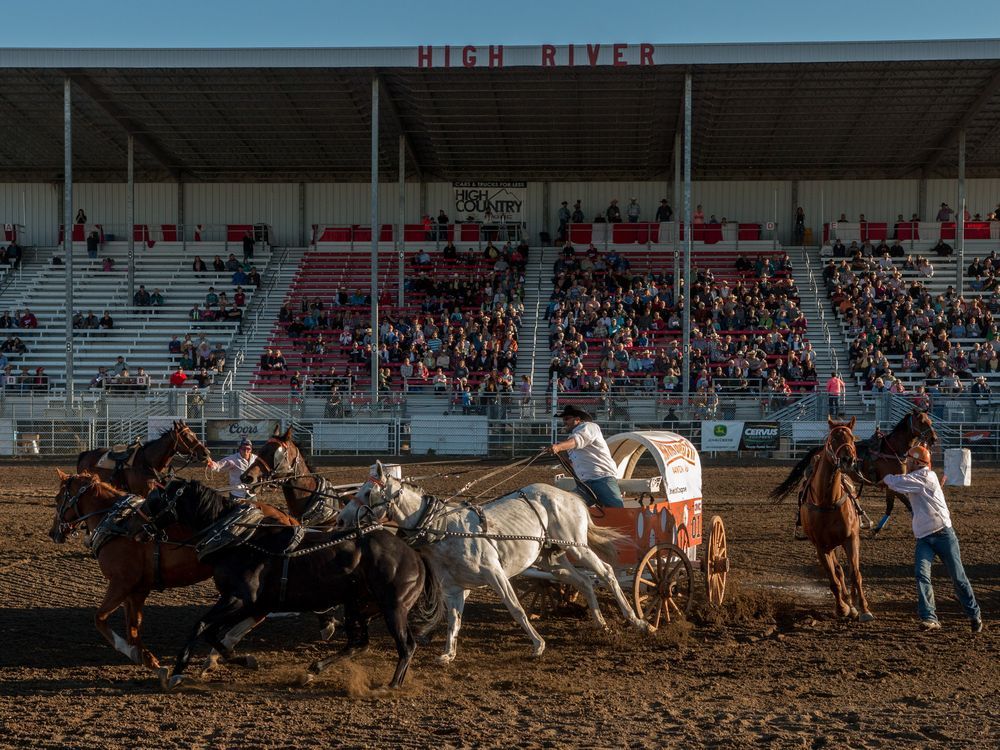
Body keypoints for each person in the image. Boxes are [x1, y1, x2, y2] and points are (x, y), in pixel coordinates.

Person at [881, 445, 982, 633]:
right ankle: (929, 618)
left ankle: (974, 613)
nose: (906, 463)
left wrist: (884, 476)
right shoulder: (921, 477)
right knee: (922, 575)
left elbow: (896, 482)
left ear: (916, 462)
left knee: (958, 577)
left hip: (942, 535)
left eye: (909, 460)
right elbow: (902, 484)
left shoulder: (925, 477)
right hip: (925, 537)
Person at [548, 404, 623, 508]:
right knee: (568, 509)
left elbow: (578, 440)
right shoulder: (572, 438)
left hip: (602, 478)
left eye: (567, 418)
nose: (564, 422)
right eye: (563, 419)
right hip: (585, 484)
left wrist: (558, 447)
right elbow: (572, 462)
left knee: (617, 511)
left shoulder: (589, 427)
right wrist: (561, 453)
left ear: (578, 419)